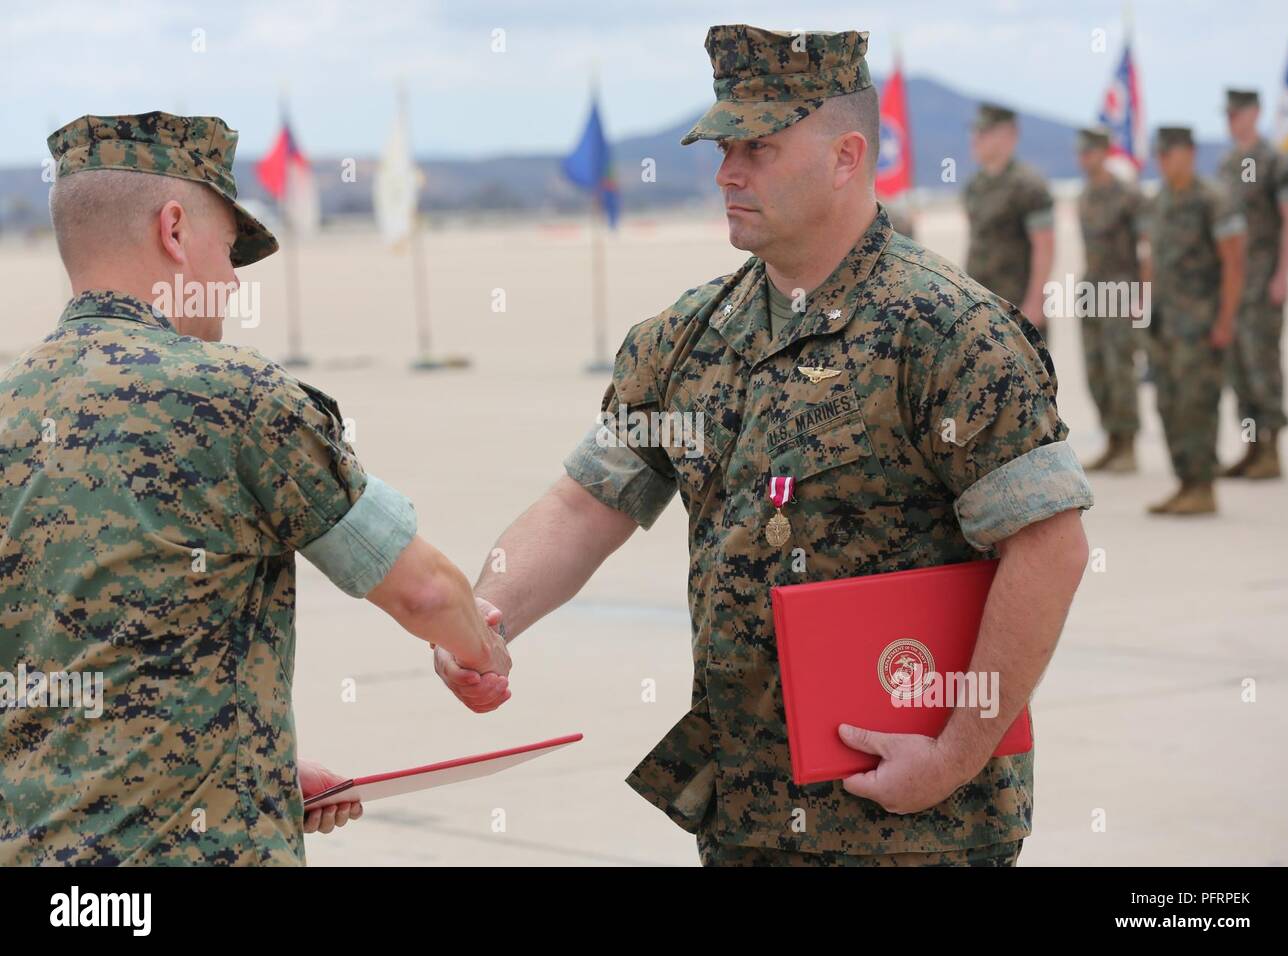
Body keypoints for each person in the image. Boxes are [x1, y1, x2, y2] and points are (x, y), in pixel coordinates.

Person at [436, 26, 1094, 866]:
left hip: (915, 827)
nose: (726, 173)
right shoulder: (684, 336)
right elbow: (583, 503)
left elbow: (1049, 548)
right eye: (722, 146)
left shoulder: (950, 334)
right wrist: (481, 621)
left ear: (847, 157)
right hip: (748, 815)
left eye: (759, 146)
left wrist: (954, 753)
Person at [0, 112, 509, 865]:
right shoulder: (234, 398)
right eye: (230, 251)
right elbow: (427, 593)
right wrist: (480, 652)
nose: (234, 283)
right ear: (174, 231)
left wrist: (249, 770)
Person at [1144, 126, 1246, 516]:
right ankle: (1184, 481)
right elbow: (1152, 258)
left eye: (1170, 153)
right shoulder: (1162, 199)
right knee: (1168, 402)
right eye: (1160, 153)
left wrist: (1225, 320)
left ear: (1189, 152)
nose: (1164, 160)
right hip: (1165, 323)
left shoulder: (1212, 200)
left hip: (1200, 324)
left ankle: (1203, 486)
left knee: (1197, 403)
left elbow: (1234, 264)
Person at [1217, 89, 1288, 479]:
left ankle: (1271, 449)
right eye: (1228, 114)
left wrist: (1283, 274)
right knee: (1239, 366)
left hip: (1263, 281)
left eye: (1238, 113)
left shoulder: (1275, 162)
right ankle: (1251, 445)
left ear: (1256, 113)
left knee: (1263, 361)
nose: (1232, 120)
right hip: (1234, 285)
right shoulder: (1227, 163)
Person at [1075, 126, 1144, 472]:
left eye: (1090, 152)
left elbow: (1146, 247)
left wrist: (1144, 294)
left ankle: (1128, 444)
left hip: (1121, 290)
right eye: (1081, 152)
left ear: (1105, 153)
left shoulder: (1128, 195)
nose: (1084, 158)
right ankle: (1111, 440)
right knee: (1095, 369)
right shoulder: (1085, 195)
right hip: (1092, 290)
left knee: (1121, 368)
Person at [964, 102, 1056, 344]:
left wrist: (1035, 303)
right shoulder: (974, 187)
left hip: (1016, 306)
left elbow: (1044, 247)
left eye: (983, 132)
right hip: (981, 304)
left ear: (1007, 135)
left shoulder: (1028, 186)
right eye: (975, 131)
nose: (975, 138)